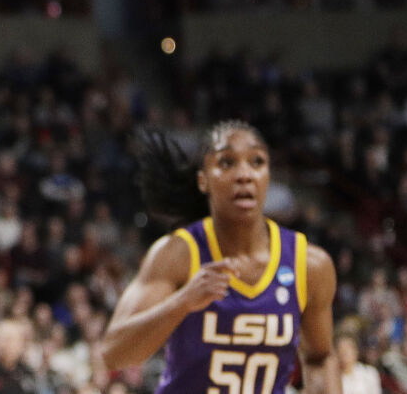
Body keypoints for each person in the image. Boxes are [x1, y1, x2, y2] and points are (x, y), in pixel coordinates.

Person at [98, 122, 341, 394]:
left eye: (256, 162)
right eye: (227, 163)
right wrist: (183, 301)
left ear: (268, 176)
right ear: (203, 179)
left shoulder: (308, 264)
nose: (244, 175)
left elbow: (320, 357)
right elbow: (113, 353)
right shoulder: (178, 254)